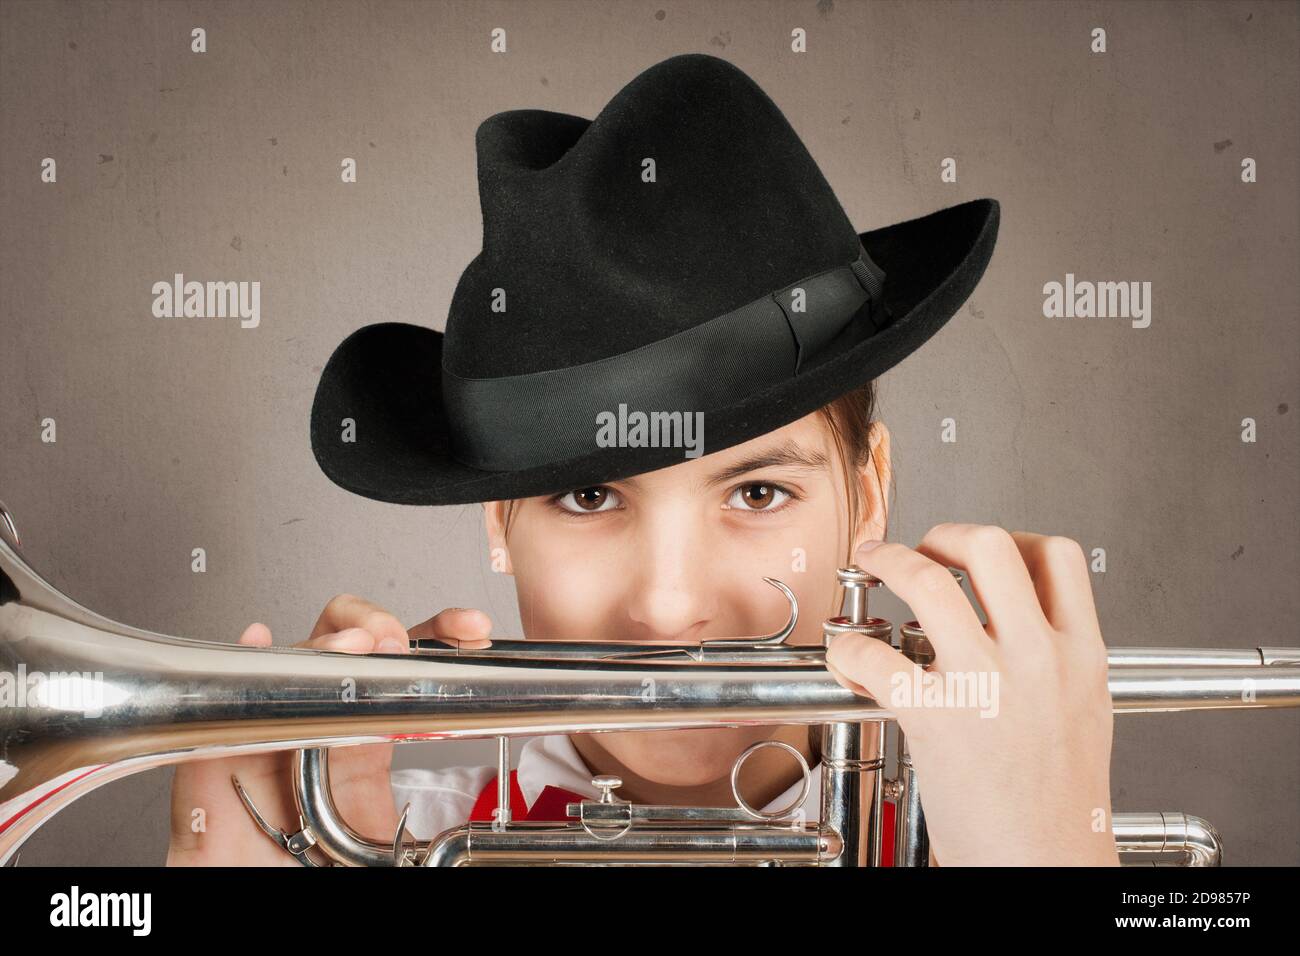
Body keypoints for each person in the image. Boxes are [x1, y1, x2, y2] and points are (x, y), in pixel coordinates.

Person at [167, 53, 1118, 866]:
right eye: (589, 495)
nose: (668, 609)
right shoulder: (365, 830)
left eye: (757, 489)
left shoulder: (1029, 810)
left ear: (867, 497)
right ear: (499, 523)